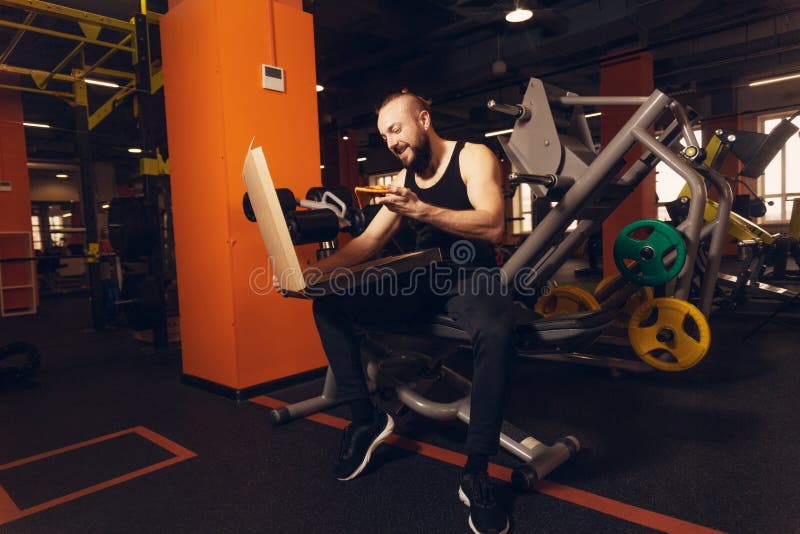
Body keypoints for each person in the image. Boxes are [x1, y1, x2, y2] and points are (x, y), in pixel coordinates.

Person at [307, 90, 513, 534]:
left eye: (396, 129)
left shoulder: (473, 157)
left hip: (469, 276)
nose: (391, 141)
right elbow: (366, 244)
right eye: (384, 136)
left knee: (496, 331)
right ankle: (365, 422)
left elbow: (493, 223)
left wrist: (423, 210)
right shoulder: (405, 178)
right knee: (328, 303)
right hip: (420, 279)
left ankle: (476, 468)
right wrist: (311, 275)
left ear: (423, 119)